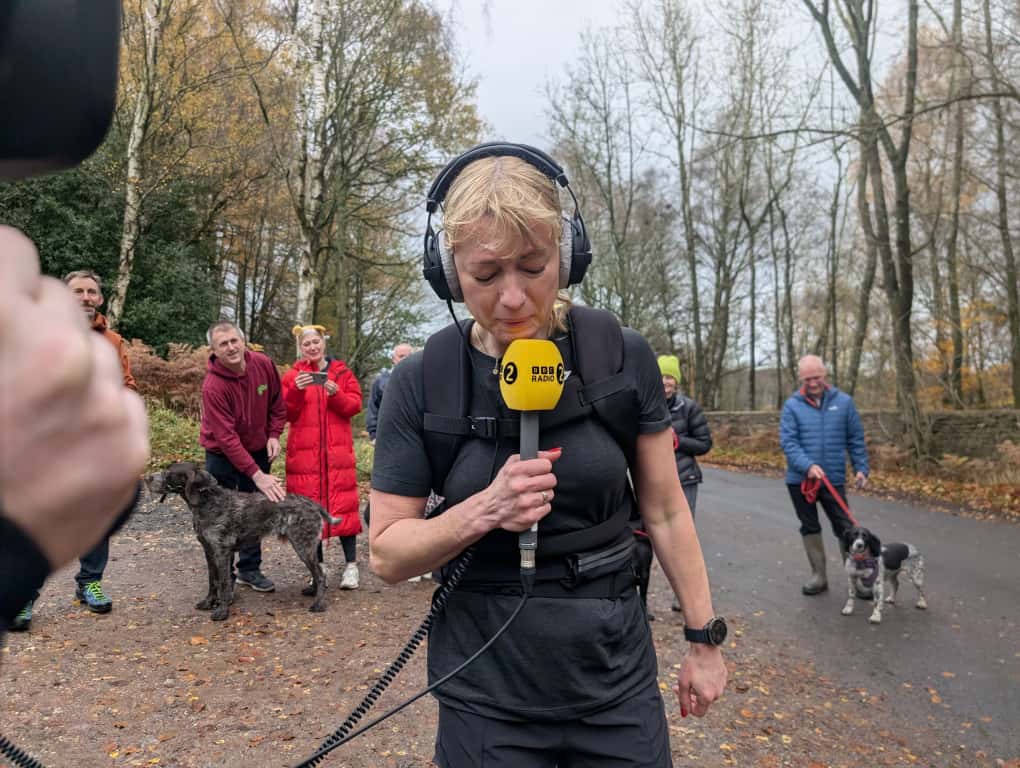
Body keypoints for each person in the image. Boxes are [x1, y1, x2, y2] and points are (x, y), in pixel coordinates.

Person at [370, 145, 726, 766]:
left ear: (569, 256)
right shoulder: (424, 382)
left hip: (615, 680)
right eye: (485, 275)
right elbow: (387, 553)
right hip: (486, 693)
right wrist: (483, 509)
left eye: (534, 267)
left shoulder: (619, 356)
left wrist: (703, 638)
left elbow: (667, 511)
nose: (513, 297)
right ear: (448, 273)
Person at [1, 227, 149, 637]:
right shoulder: (38, 332)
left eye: (91, 292)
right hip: (41, 446)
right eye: (77, 291)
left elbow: (129, 386)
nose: (85, 298)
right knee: (34, 520)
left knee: (96, 519)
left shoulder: (114, 342)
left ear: (100, 299)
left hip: (94, 445)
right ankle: (24, 594)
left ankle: (90, 583)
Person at [200, 320, 287, 593]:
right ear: (214, 350)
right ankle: (225, 576)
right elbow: (226, 438)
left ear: (243, 340)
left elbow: (277, 403)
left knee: (254, 512)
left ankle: (250, 569)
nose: (230, 348)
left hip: (258, 446)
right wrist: (257, 475)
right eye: (223, 344)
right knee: (220, 514)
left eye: (234, 341)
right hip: (221, 454)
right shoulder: (213, 386)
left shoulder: (263, 364)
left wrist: (273, 434)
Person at [281, 324, 364, 590]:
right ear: (300, 348)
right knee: (309, 512)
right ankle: (318, 569)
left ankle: (351, 566)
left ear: (323, 342)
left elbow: (354, 406)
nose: (312, 347)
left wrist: (335, 393)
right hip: (305, 458)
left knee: (345, 509)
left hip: (337, 454)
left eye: (316, 342)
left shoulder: (341, 372)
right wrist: (295, 390)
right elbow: (286, 413)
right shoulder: (293, 375)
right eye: (307, 344)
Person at [780, 354, 870, 596]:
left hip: (833, 479)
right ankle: (818, 576)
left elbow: (855, 439)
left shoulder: (844, 402)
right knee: (809, 526)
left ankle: (858, 580)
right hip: (801, 481)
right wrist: (807, 465)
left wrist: (861, 467)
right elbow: (789, 443)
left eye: (816, 377)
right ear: (801, 378)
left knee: (847, 528)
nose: (812, 383)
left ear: (825, 375)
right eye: (808, 378)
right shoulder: (792, 406)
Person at [658, 354, 713, 614]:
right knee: (647, 541)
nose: (665, 382)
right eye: (661, 376)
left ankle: (685, 597)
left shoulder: (689, 408)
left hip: (686, 479)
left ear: (676, 381)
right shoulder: (647, 405)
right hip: (654, 481)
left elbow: (705, 444)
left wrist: (678, 441)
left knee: (683, 541)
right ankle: (639, 598)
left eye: (669, 377)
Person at [365, 342, 413, 443]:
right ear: (393, 359)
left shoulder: (420, 381)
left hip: (413, 436)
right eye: (401, 356)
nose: (404, 359)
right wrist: (374, 434)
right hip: (387, 437)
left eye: (408, 356)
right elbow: (373, 408)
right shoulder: (381, 382)